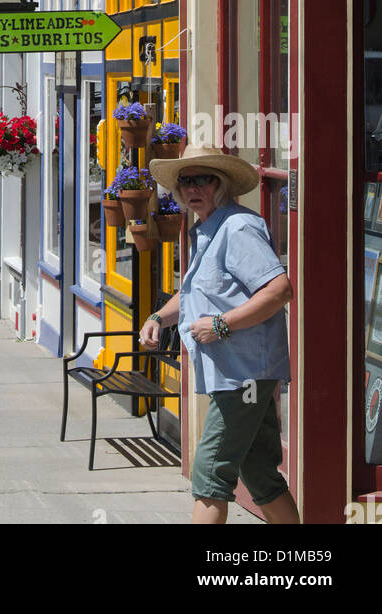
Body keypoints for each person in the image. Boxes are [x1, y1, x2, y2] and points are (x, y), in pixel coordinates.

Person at [140, 145, 299, 526]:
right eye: (186, 181)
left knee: (209, 475)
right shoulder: (206, 229)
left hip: (243, 375)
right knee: (260, 475)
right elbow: (197, 291)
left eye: (203, 179)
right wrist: (158, 318)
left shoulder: (237, 227)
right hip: (235, 374)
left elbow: (279, 290)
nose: (193, 188)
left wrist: (222, 324)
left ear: (222, 183)